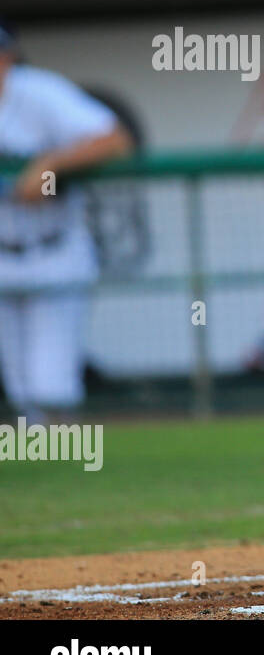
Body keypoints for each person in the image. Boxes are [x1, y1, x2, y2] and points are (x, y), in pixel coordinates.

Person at [0, 22, 135, 424]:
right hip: (3, 255)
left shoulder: (37, 92)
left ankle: (61, 449)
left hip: (53, 246)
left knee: (50, 381)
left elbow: (115, 139)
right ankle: (42, 460)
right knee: (20, 384)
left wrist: (49, 164)